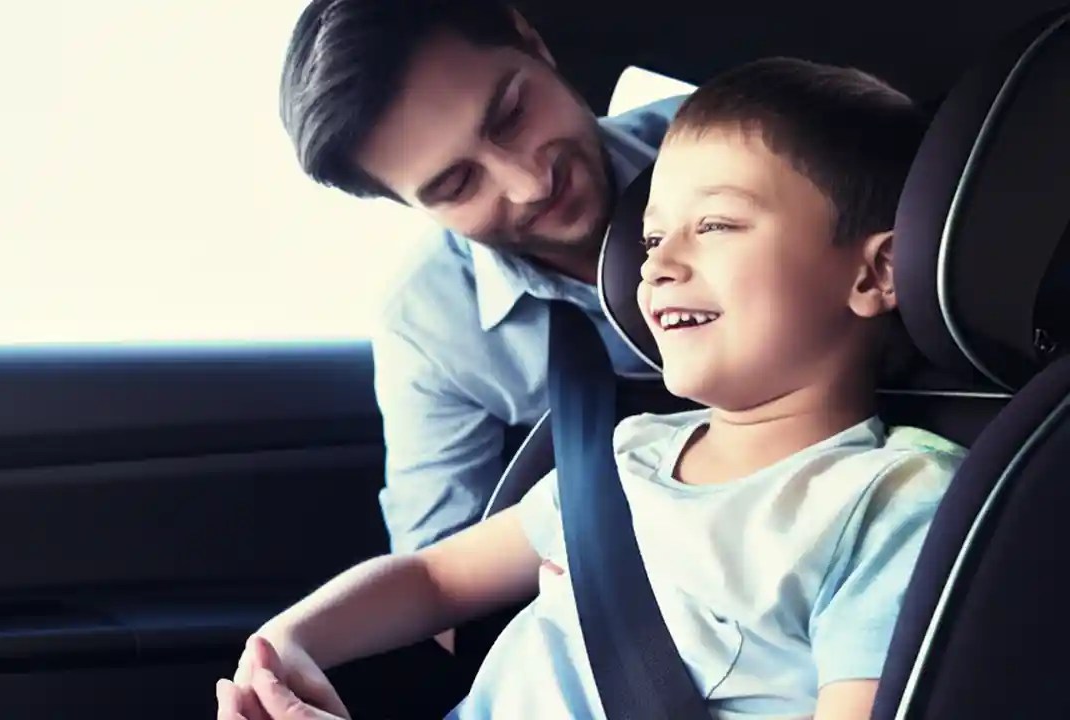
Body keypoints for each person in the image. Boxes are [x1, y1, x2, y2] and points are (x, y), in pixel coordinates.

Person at [219, 57, 966, 719]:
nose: (657, 262)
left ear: (873, 273)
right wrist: (287, 641)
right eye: (648, 237)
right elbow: (436, 576)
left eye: (715, 225)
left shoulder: (892, 500)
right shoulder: (628, 456)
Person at [280, 0, 684, 557]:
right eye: (457, 186)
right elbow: (439, 561)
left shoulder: (760, 141)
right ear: (410, 206)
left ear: (532, 43)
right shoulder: (430, 325)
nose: (529, 184)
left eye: (513, 114)